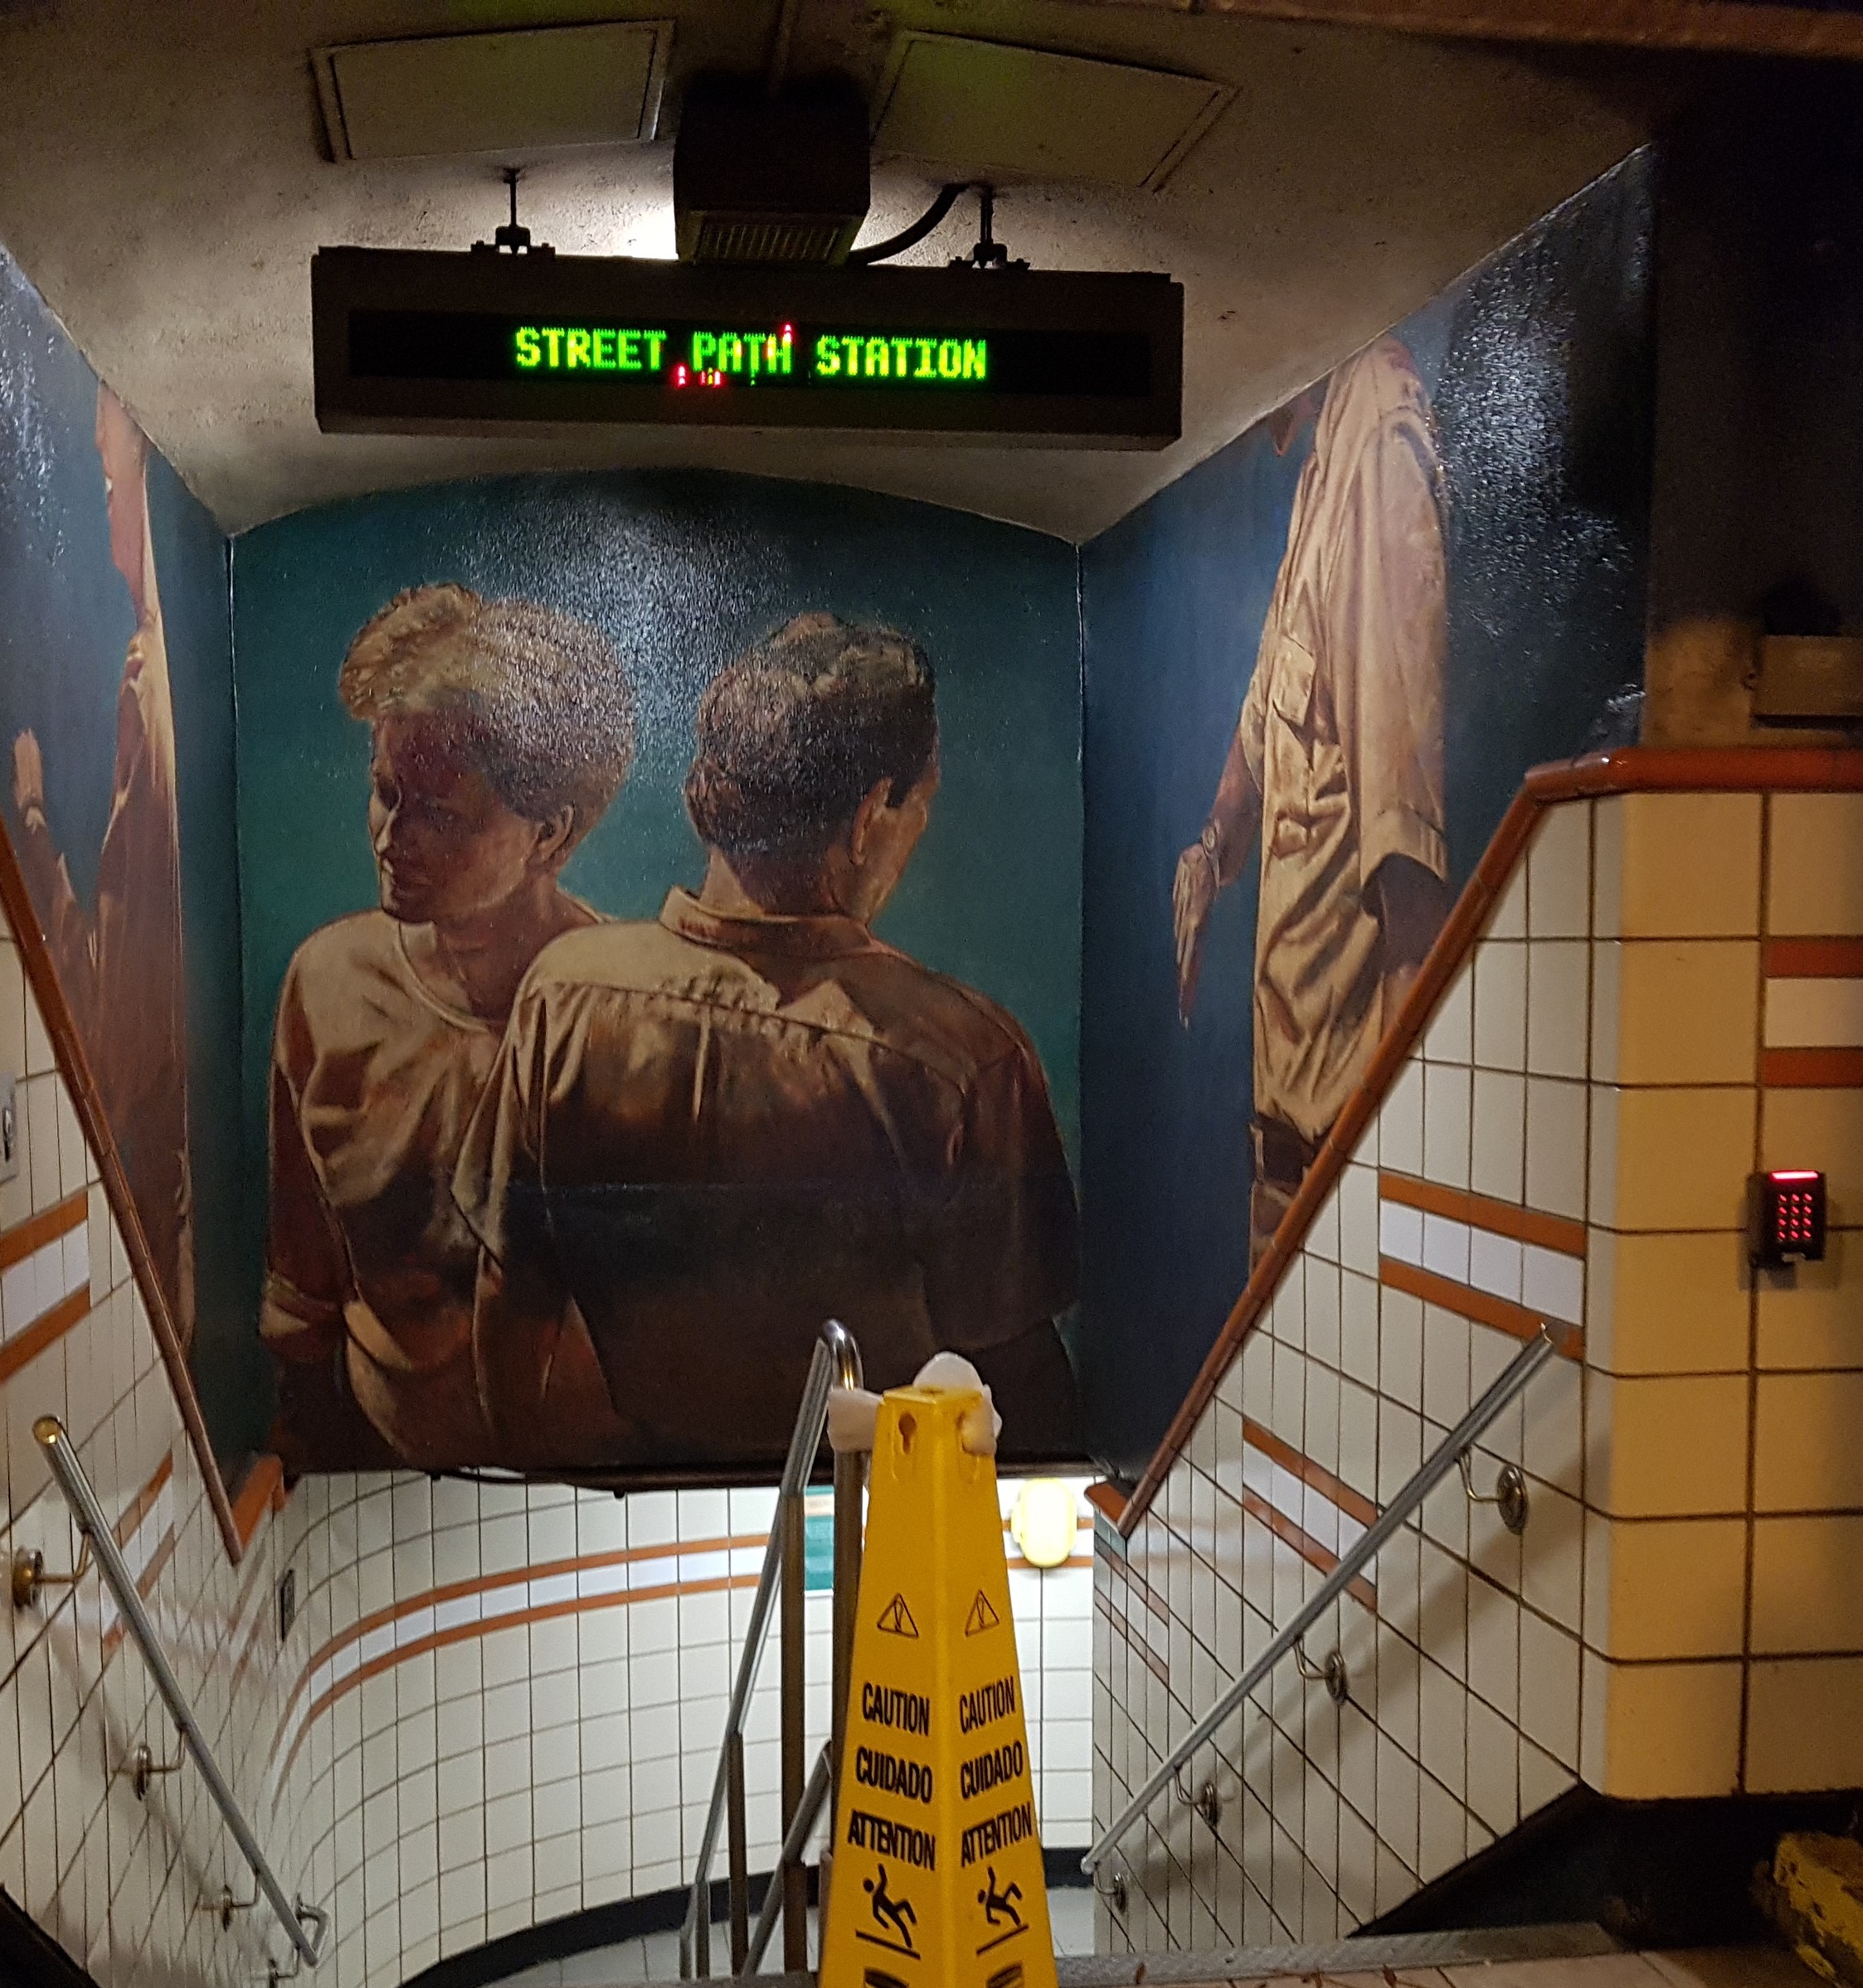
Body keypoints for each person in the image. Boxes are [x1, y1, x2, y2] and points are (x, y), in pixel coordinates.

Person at [459, 613, 1080, 1477]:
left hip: (640, 1494)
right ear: (869, 818)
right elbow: (1025, 1389)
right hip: (880, 1501)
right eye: (918, 808)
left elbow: (509, 1311)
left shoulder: (564, 997)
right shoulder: (960, 1063)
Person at [261, 584, 636, 1476]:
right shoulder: (328, 986)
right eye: (386, 793)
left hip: (595, 1487)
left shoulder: (626, 1017)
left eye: (439, 814)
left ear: (550, 835)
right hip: (385, 1474)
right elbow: (303, 1293)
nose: (394, 837)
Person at [1171, 336, 1452, 1261]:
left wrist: (1394, 1155)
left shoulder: (1378, 460)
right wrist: (1214, 850)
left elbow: (1403, 842)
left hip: (1341, 1167)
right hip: (1289, 1151)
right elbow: (1266, 716)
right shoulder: (1324, 468)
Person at [12, 386, 197, 1344]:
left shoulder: (153, 696)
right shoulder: (175, 687)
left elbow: (117, 1036)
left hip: (171, 1225)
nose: (104, 505)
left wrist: (35, 828)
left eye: (107, 475)